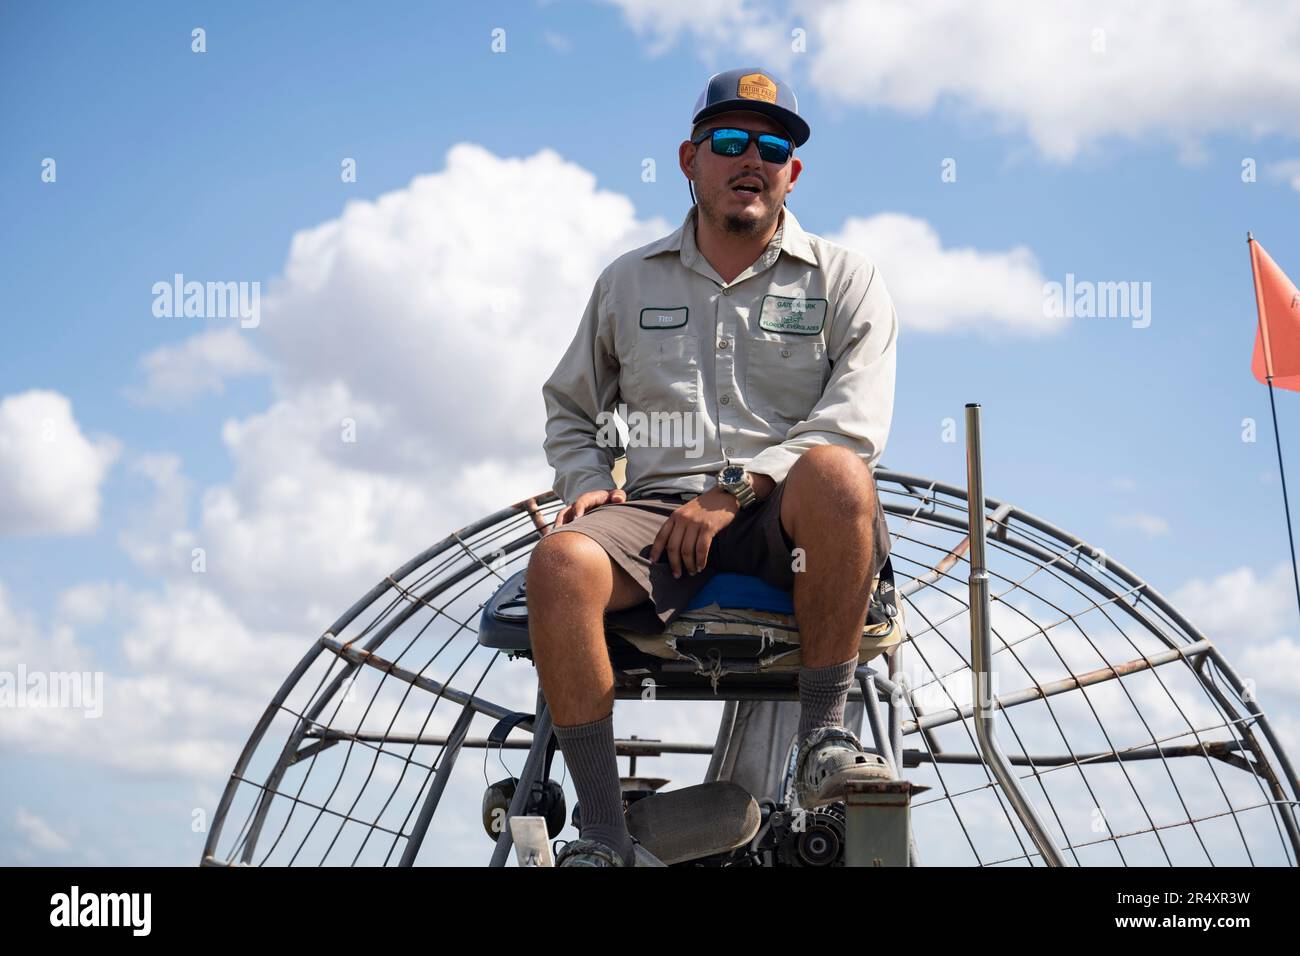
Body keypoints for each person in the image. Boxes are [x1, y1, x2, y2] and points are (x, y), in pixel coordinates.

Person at [530, 67, 899, 867]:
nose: (751, 161)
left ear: (791, 173)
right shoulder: (627, 281)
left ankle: (822, 742)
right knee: (560, 563)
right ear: (689, 159)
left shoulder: (845, 279)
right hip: (657, 515)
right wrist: (589, 482)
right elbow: (573, 409)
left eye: (772, 148)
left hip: (787, 513)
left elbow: (855, 422)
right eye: (729, 143)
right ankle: (602, 835)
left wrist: (735, 492)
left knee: (841, 476)